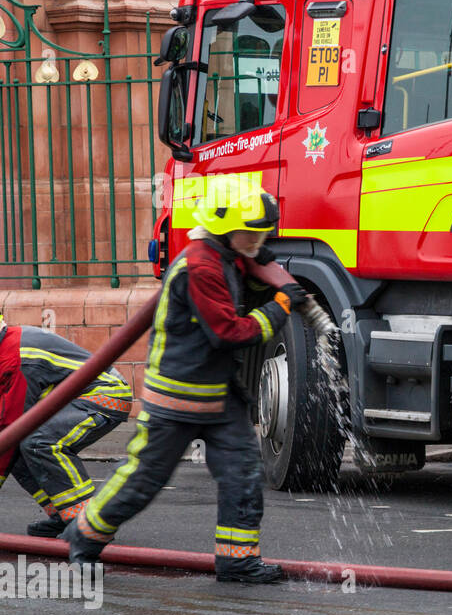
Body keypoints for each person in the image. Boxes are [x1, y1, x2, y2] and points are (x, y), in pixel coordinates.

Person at [62, 188, 308, 583]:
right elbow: (227, 331)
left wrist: (264, 277)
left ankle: (237, 560)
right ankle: (84, 536)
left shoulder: (226, 257)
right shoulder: (200, 266)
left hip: (219, 397)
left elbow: (236, 299)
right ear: (226, 229)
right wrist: (278, 307)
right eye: (253, 234)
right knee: (144, 479)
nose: (259, 241)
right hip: (177, 399)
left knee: (242, 474)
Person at [0, 318, 132, 536]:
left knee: (40, 443)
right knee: (20, 453)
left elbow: (12, 425)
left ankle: (86, 524)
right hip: (78, 400)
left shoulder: (16, 357)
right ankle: (64, 515)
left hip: (105, 395)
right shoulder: (7, 349)